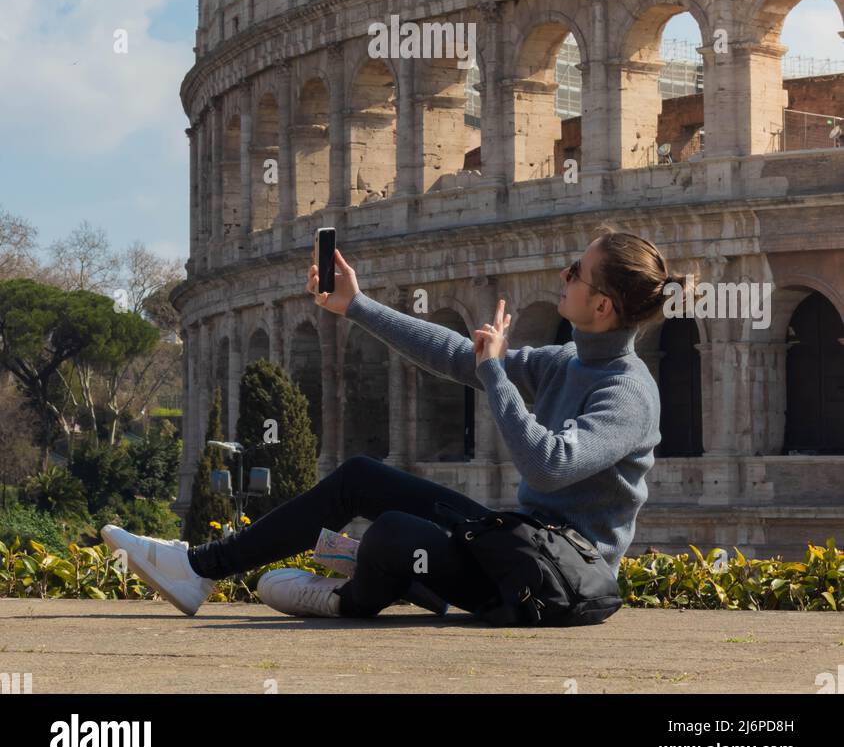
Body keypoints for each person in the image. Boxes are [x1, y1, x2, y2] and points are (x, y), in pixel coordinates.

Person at [102, 227, 677, 622]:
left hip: (556, 582)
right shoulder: (568, 362)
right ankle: (198, 569)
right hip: (515, 546)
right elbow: (455, 356)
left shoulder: (627, 392)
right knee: (360, 478)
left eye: (576, 271)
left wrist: (496, 372)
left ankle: (349, 596)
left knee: (397, 534)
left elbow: (548, 466)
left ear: (602, 306)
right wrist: (357, 305)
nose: (563, 274)